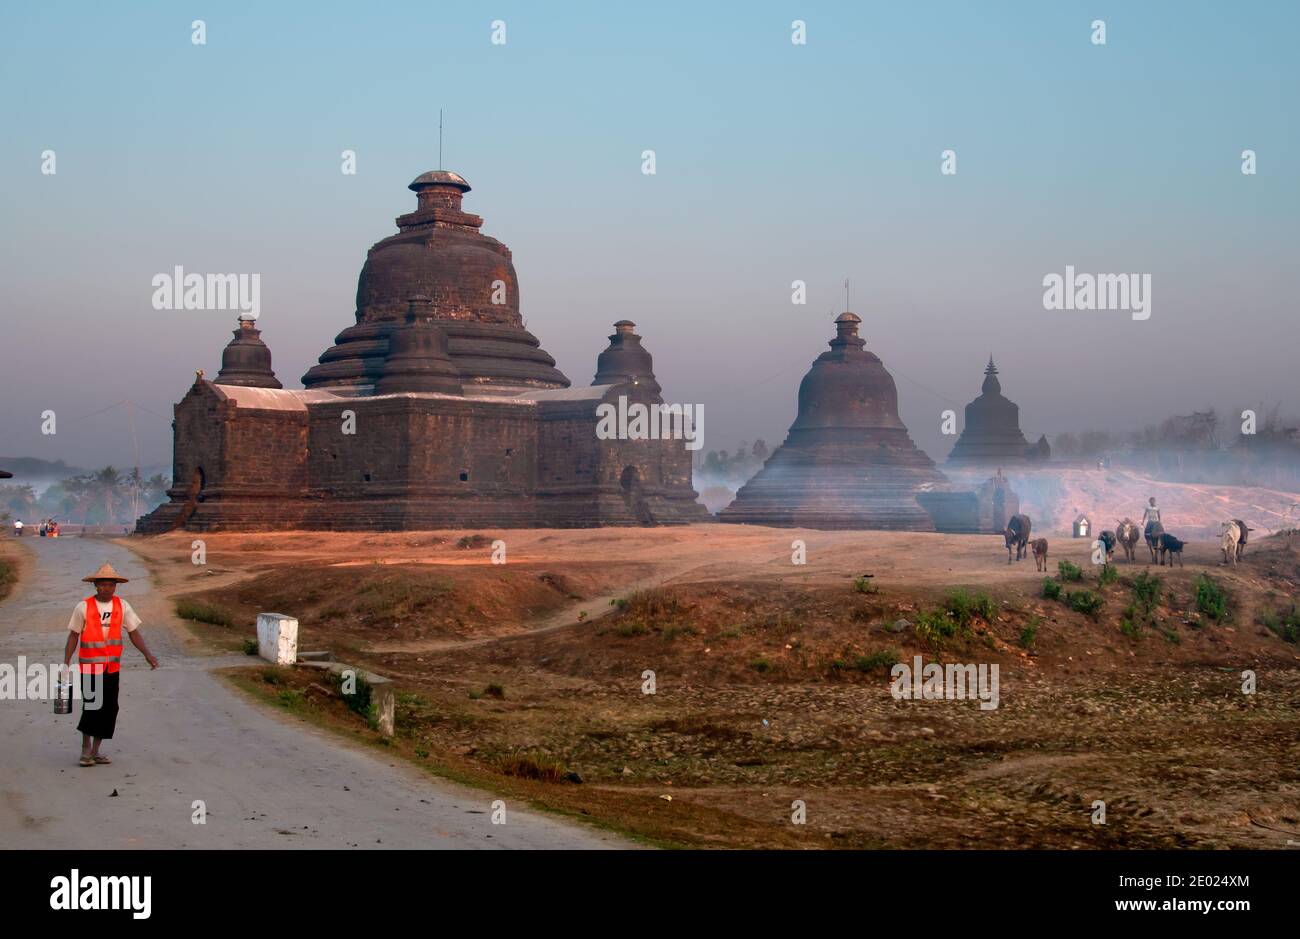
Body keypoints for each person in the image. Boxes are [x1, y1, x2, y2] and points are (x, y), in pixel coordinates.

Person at [61, 562, 159, 767]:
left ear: (115, 586)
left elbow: (134, 632)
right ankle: (85, 749)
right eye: (103, 585)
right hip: (90, 668)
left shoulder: (122, 606)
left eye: (110, 585)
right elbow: (73, 636)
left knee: (109, 709)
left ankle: (96, 751)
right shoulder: (83, 607)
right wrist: (66, 662)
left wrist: (147, 654)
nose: (107, 588)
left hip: (111, 668)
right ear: (95, 586)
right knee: (92, 707)